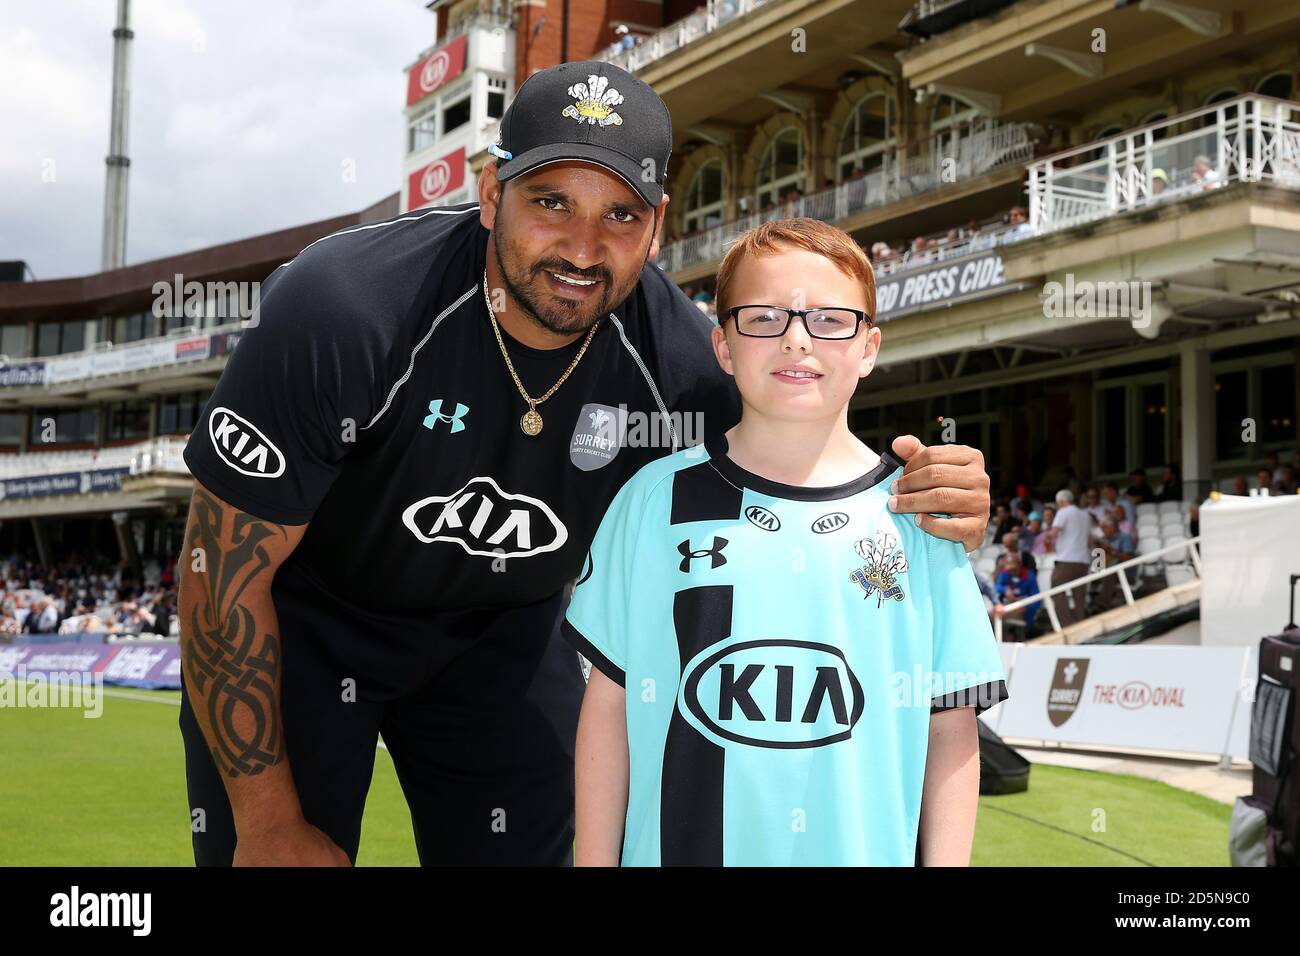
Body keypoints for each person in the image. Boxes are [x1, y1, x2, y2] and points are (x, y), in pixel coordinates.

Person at [177, 60, 995, 868]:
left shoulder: (682, 371)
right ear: (492, 193)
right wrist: (268, 821)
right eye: (551, 201)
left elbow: (807, 454)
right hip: (312, 623)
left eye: (620, 215)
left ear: (658, 224)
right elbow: (219, 568)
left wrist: (933, 494)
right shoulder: (346, 308)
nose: (582, 245)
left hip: (509, 637)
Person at [565, 217, 1007, 866]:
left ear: (869, 347)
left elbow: (951, 725)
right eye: (764, 318)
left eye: (830, 320)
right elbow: (609, 708)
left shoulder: (918, 516)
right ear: (722, 346)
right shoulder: (652, 501)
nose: (797, 340)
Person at [1044, 489, 1091, 628]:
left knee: (1056, 590)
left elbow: (1053, 533)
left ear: (1061, 501)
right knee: (1079, 595)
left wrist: (1047, 537)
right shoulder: (1085, 515)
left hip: (1066, 559)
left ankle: (1068, 624)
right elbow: (1089, 539)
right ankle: (1080, 622)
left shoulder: (1064, 512)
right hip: (1083, 560)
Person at [993, 550, 1041, 638]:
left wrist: (1025, 606)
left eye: (1013, 569)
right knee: (993, 615)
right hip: (1008, 606)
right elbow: (996, 586)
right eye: (1009, 569)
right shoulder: (1005, 574)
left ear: (1020, 565)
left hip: (1024, 608)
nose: (1011, 572)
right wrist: (1005, 590)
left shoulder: (1029, 576)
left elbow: (1036, 599)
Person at [1094, 516, 1136, 611]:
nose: (1102, 530)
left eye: (1104, 528)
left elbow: (1128, 558)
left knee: (1110, 572)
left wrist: (1111, 550)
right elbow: (1099, 560)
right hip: (1106, 567)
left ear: (1113, 527)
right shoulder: (1104, 539)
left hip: (1124, 570)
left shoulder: (1125, 538)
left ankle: (1101, 604)